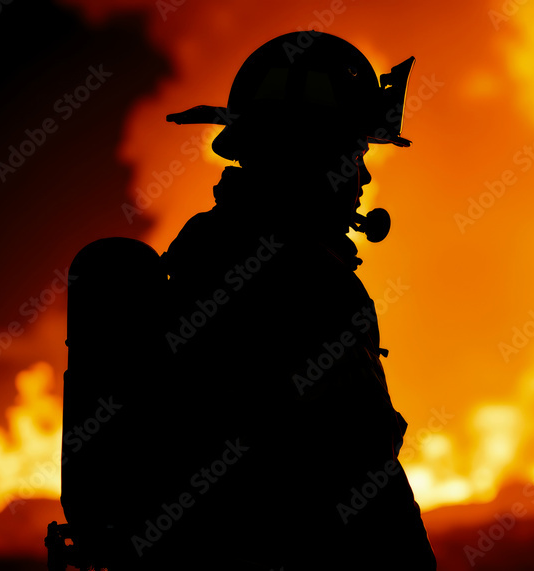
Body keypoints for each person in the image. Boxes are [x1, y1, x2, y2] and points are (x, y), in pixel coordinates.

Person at [155, 30, 435, 569]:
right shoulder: (312, 280)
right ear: (312, 158)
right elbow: (362, 465)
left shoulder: (203, 248)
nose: (365, 174)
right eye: (355, 151)